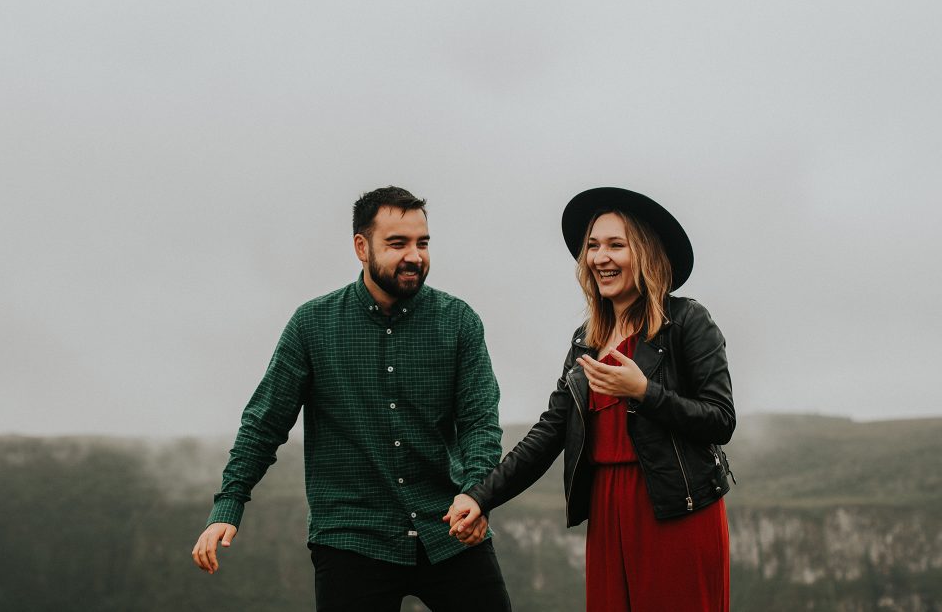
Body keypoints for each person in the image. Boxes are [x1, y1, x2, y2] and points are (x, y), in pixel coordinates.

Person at [192, 186, 511, 612]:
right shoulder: (312, 325)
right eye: (397, 244)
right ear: (362, 247)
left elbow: (479, 425)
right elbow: (265, 423)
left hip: (450, 527)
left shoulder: (458, 322)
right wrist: (228, 505)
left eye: (423, 243)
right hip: (352, 538)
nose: (415, 256)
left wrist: (478, 494)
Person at [444, 187, 734, 612]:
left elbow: (720, 419)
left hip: (675, 510)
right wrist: (480, 496)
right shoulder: (587, 342)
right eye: (593, 246)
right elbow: (549, 432)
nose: (601, 257)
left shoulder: (687, 321)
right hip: (607, 508)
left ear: (647, 254)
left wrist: (644, 393)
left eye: (617, 245)